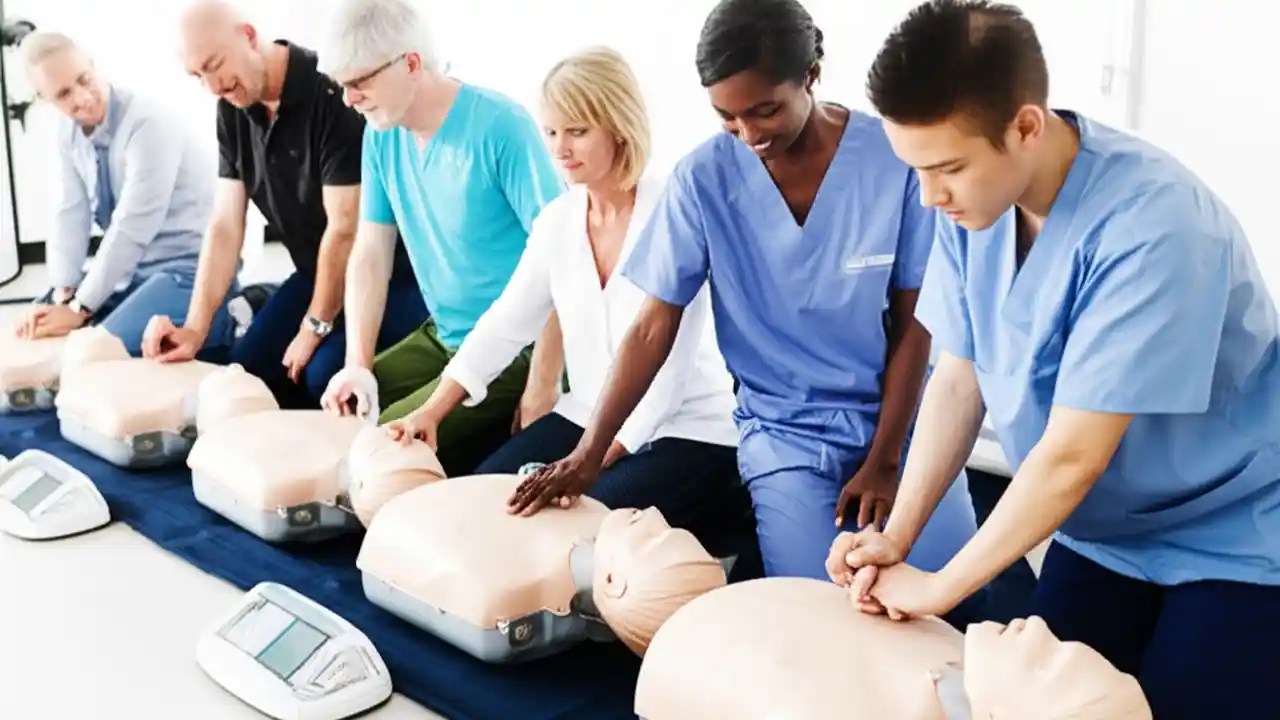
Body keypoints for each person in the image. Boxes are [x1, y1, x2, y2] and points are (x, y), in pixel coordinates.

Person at [830, 2, 1280, 718]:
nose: (929, 195)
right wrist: (897, 538)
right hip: (1105, 532)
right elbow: (959, 377)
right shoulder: (971, 205)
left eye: (947, 168)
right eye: (915, 169)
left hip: (1238, 530)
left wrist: (940, 587)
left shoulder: (1156, 225)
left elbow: (1073, 455)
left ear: (1025, 127)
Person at [511, 0, 976, 581]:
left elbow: (916, 325)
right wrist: (588, 455)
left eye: (765, 111)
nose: (750, 135)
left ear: (811, 75)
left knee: (948, 589)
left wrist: (886, 459)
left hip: (901, 420)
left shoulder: (893, 159)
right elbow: (652, 327)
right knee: (816, 598)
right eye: (727, 118)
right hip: (786, 435)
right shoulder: (703, 179)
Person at [385, 48, 744, 540]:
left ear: (618, 128)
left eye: (577, 131)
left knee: (566, 528)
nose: (559, 148)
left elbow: (667, 372)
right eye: (551, 132)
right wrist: (432, 411)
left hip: (687, 429)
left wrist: (591, 460)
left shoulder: (673, 211)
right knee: (481, 504)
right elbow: (505, 324)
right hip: (586, 413)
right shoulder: (558, 222)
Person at [315, 0, 564, 474]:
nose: (348, 99)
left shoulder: (502, 127)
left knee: (381, 448)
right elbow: (371, 253)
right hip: (444, 334)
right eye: (341, 85)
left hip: (517, 347)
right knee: (340, 410)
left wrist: (542, 385)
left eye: (359, 82)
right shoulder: (381, 135)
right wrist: (357, 365)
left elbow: (565, 259)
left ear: (411, 63)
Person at [144, 0, 427, 408]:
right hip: (313, 271)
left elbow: (344, 228)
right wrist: (194, 329)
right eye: (197, 76)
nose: (212, 86)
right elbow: (225, 225)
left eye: (214, 65)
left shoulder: (332, 91)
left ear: (248, 36)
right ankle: (264, 298)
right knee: (247, 371)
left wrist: (314, 326)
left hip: (393, 278)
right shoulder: (232, 106)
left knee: (319, 379)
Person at [14, 31, 225, 357]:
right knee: (38, 326)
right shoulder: (67, 131)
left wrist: (80, 308)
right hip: (132, 272)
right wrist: (64, 293)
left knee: (99, 349)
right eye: (64, 94)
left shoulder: (149, 124)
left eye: (84, 79)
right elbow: (70, 212)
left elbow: (132, 226)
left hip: (188, 270)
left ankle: (237, 312)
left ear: (93, 65)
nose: (82, 98)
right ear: (46, 99)